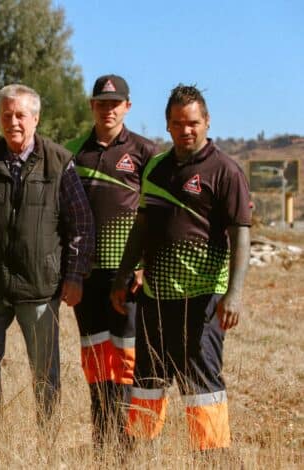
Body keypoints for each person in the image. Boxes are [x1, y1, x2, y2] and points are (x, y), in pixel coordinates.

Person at [110, 85, 251, 453]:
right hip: (156, 295)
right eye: (178, 124)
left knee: (200, 383)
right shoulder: (156, 167)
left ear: (206, 122)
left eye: (193, 123)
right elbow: (140, 227)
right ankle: (141, 452)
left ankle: (212, 458)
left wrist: (233, 294)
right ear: (168, 126)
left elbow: (241, 236)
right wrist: (125, 273)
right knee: (148, 378)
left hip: (203, 295)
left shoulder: (225, 171)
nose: (186, 130)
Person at [0, 84, 95, 429]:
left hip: (40, 288)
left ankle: (47, 442)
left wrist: (74, 275)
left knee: (45, 374)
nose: (13, 121)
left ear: (35, 118)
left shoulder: (59, 162)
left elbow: (81, 224)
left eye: (20, 115)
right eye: (6, 115)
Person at [64, 75, 157, 447]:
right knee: (96, 361)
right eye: (102, 103)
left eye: (116, 103)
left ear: (128, 107)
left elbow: (158, 214)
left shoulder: (145, 152)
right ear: (92, 106)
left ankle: (130, 442)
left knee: (127, 360)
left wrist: (141, 265)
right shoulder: (72, 151)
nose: (109, 109)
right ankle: (103, 439)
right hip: (86, 276)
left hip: (127, 279)